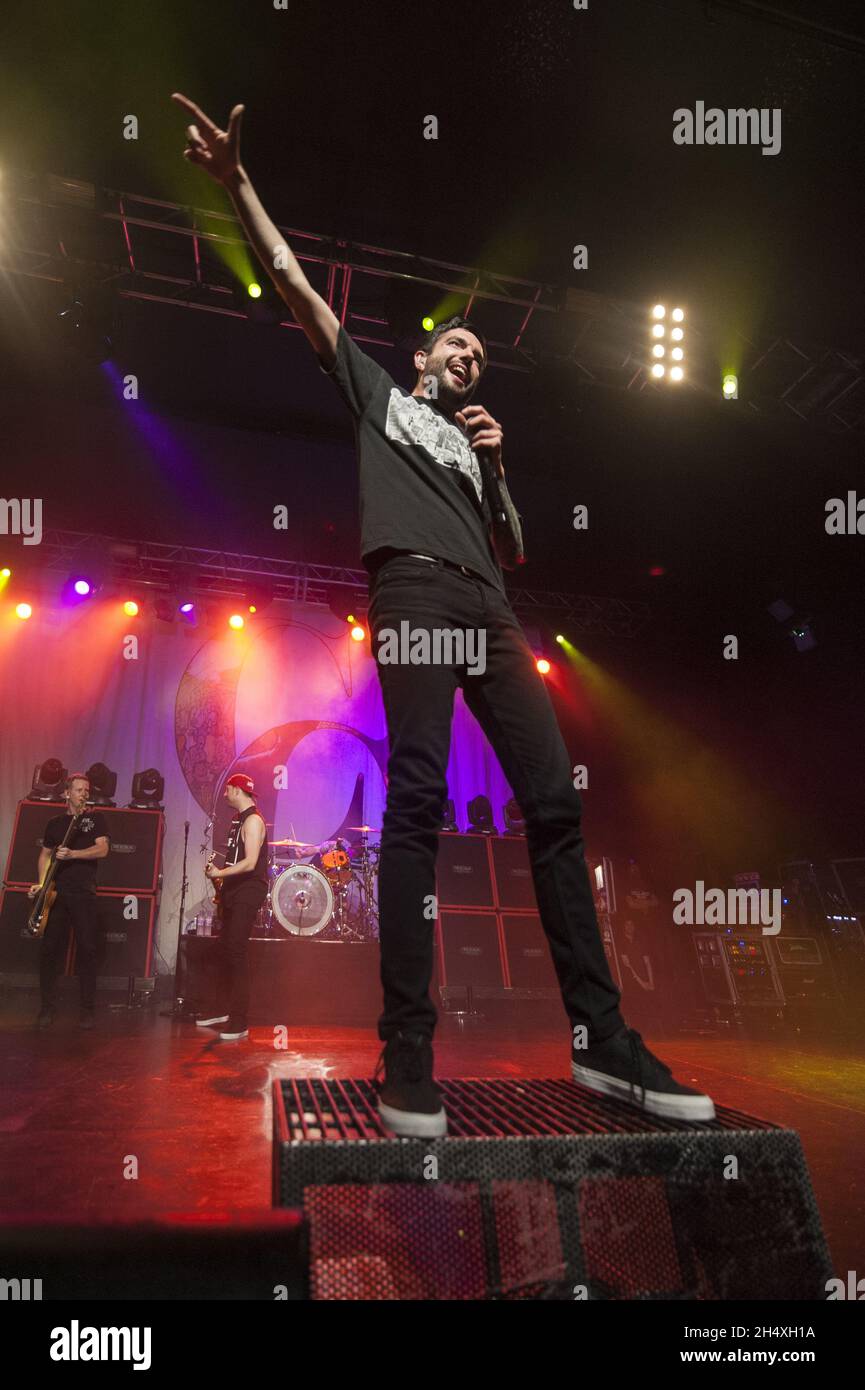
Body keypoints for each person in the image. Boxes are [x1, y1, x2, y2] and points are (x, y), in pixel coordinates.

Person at [172, 93, 716, 1132]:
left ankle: (604, 1042)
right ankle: (408, 1052)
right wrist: (238, 183)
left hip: (490, 604)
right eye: (456, 349)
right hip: (414, 588)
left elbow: (514, 547)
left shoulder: (474, 449)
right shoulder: (379, 394)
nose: (468, 361)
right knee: (416, 800)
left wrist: (500, 466)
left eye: (479, 357)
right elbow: (292, 284)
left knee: (554, 804)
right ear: (425, 356)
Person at [29, 774, 110, 1028]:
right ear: (67, 793)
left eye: (86, 790)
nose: (83, 794)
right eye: (78, 790)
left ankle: (87, 1010)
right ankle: (47, 1008)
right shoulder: (55, 823)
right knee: (50, 950)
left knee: (87, 950)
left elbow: (103, 849)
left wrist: (74, 854)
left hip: (83, 893)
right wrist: (42, 885)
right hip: (58, 894)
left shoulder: (95, 819)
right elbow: (44, 855)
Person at [201, 773, 268, 1041]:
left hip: (249, 890)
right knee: (224, 949)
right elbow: (235, 862)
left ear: (237, 790)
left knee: (236, 951)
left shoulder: (252, 821)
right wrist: (218, 873)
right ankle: (221, 1009)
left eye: (228, 790)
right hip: (234, 890)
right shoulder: (237, 820)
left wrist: (219, 874)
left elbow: (251, 863)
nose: (225, 794)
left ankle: (240, 1021)